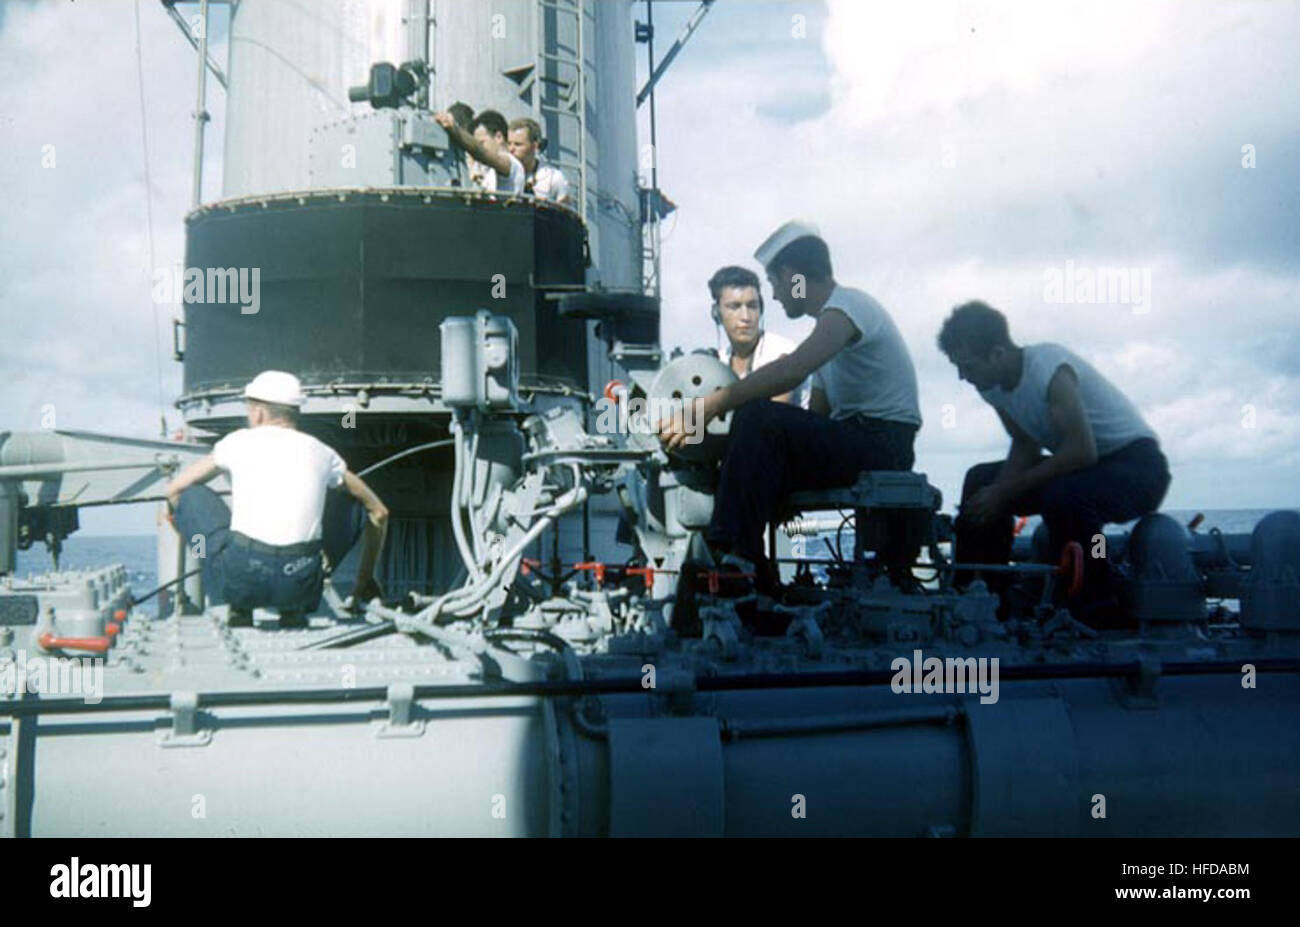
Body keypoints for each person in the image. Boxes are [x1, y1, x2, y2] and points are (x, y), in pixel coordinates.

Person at [659, 221, 922, 591]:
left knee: (759, 415)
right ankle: (756, 579)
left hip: (883, 444)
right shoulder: (828, 333)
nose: (778, 297)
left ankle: (738, 558)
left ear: (792, 277)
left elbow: (793, 369)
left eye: (775, 284)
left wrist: (707, 408)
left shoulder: (847, 307)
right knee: (748, 458)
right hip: (859, 441)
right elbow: (815, 420)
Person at [937, 300, 1171, 625]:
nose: (963, 376)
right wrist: (994, 495)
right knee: (981, 481)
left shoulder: (1048, 369)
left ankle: (1095, 606)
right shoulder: (991, 386)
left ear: (998, 353)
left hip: (1138, 468)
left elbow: (1081, 450)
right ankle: (986, 599)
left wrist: (1005, 494)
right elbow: (1025, 444)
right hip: (1087, 468)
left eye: (969, 366)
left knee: (1066, 496)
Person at [163, 371, 389, 628]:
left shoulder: (236, 442)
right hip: (301, 583)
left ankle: (235, 603)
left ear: (258, 412)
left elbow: (174, 490)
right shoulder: (324, 453)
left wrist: (190, 536)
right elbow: (379, 512)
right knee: (354, 503)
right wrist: (362, 583)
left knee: (190, 496)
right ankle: (294, 607)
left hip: (241, 578)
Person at [708, 265, 807, 407]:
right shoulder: (719, 361)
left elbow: (769, 417)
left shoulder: (781, 352)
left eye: (752, 306)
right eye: (735, 307)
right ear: (716, 312)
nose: (746, 317)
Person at [434, 108, 525, 195]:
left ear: (498, 137)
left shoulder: (512, 164)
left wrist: (454, 128)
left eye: (481, 143)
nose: (478, 146)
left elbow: (481, 152)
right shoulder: (484, 168)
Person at [507, 117, 571, 205]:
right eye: (509, 143)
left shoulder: (554, 178)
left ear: (534, 146)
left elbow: (565, 215)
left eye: (518, 144)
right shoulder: (496, 174)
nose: (511, 149)